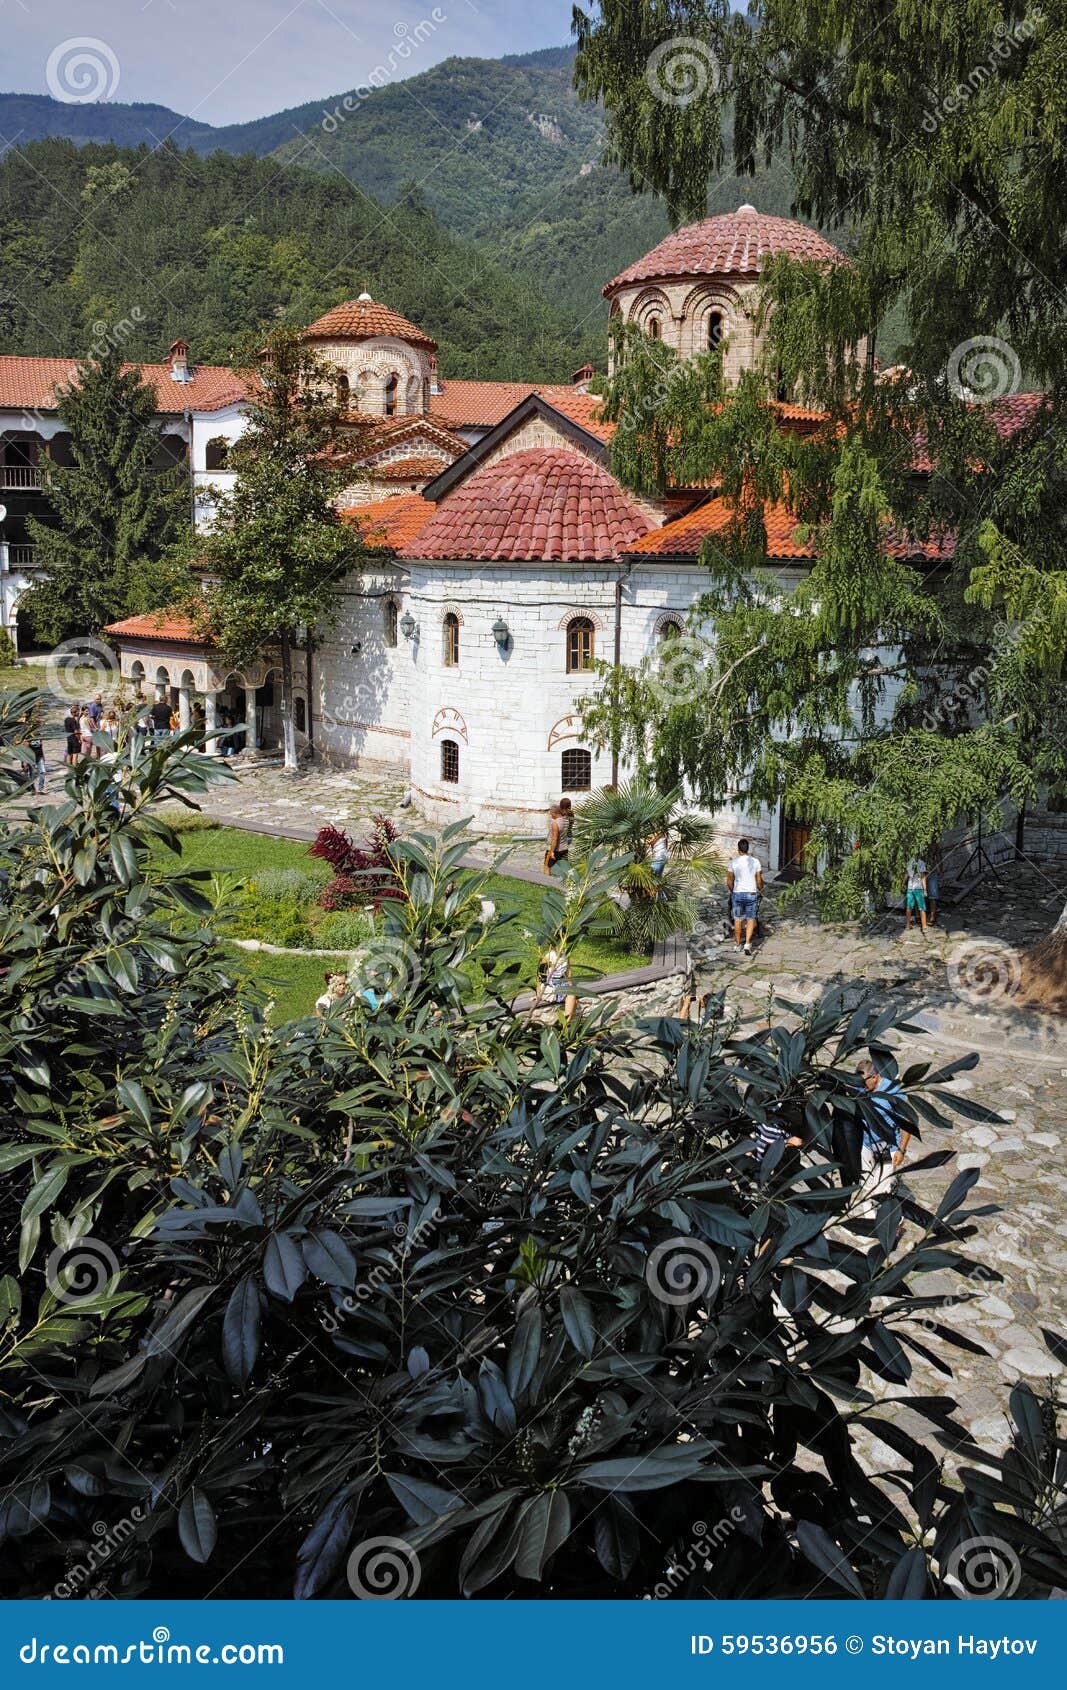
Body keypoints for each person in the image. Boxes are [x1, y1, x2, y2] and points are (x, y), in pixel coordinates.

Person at [855, 1057, 911, 1219]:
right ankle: (869, 1221)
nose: (861, 1086)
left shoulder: (893, 1093)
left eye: (864, 1082)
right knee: (866, 1185)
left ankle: (891, 1222)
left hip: (888, 1147)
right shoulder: (861, 1088)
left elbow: (907, 1123)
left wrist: (901, 1150)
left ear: (874, 1077)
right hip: (866, 1144)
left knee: (882, 1188)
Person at [726, 837, 763, 956]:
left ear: (738, 849)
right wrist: (760, 889)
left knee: (738, 919)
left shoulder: (733, 863)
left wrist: (733, 891)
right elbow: (759, 880)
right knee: (751, 918)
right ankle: (747, 943)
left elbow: (729, 882)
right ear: (748, 849)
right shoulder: (755, 862)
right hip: (751, 893)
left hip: (737, 893)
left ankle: (737, 945)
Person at [536, 946, 577, 1020]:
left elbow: (568, 969)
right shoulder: (548, 957)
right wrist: (538, 993)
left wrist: (571, 984)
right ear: (553, 947)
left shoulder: (566, 953)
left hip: (562, 982)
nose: (562, 947)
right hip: (550, 984)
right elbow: (540, 975)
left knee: (573, 1001)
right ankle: (566, 1024)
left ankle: (566, 1023)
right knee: (572, 999)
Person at [903, 853, 928, 934]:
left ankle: (907, 925)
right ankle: (924, 927)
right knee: (922, 907)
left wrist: (903, 883)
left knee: (909, 907)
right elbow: (923, 877)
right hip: (918, 888)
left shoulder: (910, 862)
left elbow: (906, 874)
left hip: (910, 887)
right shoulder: (921, 863)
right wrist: (925, 890)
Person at [544, 803, 563, 874]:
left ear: (555, 813)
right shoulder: (565, 821)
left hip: (554, 849)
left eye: (551, 814)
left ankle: (545, 883)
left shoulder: (555, 823)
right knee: (563, 869)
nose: (551, 815)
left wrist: (551, 852)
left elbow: (554, 838)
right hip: (563, 848)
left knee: (547, 867)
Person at [925, 843, 942, 925]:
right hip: (922, 872)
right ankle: (922, 916)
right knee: (923, 895)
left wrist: (939, 869)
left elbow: (938, 857)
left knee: (932, 896)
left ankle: (932, 916)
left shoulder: (934, 844)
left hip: (931, 872)